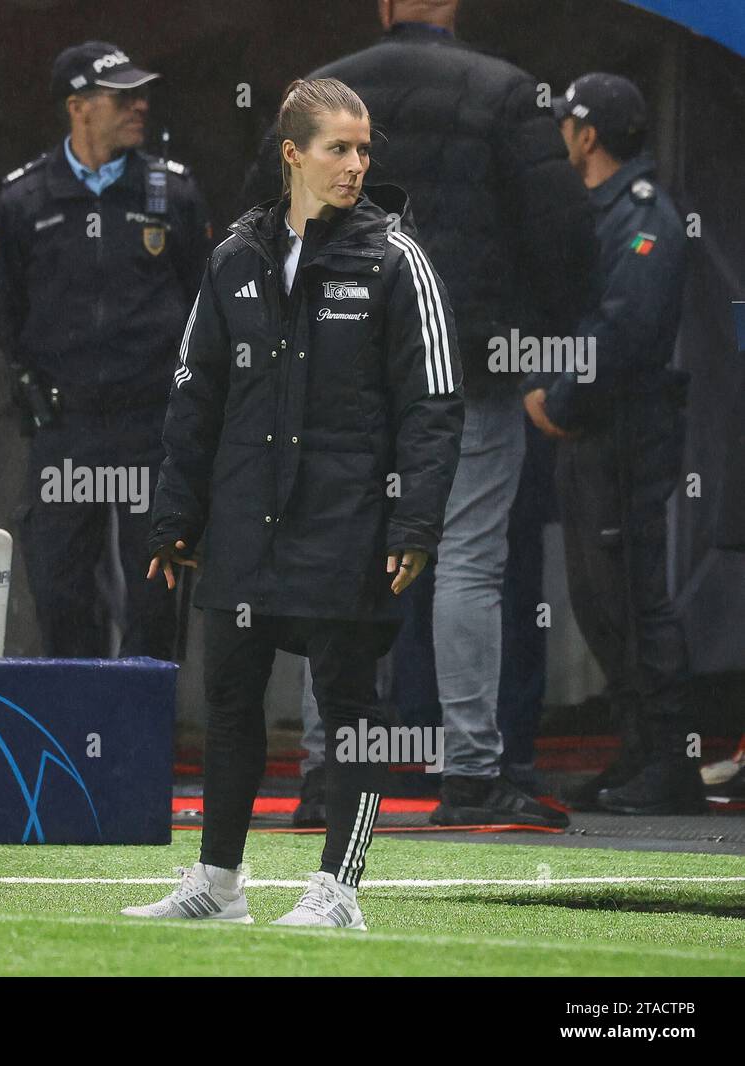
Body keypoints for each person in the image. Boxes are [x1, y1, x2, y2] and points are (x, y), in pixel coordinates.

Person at [244, 0, 596, 830]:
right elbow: (564, 238)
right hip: (466, 367)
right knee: (468, 563)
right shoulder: (507, 92)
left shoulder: (319, 97)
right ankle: (471, 773)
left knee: (338, 558)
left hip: (336, 371)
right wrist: (531, 339)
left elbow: (258, 225)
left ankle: (329, 774)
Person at [121, 79, 462, 928]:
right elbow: (194, 396)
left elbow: (434, 403)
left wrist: (415, 522)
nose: (356, 165)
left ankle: (339, 893)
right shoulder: (235, 256)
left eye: (364, 148)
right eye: (338, 148)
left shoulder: (396, 260)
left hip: (348, 526)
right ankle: (218, 885)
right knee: (231, 705)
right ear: (292, 154)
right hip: (244, 526)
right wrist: (176, 516)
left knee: (350, 711)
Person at [0, 41, 212, 659]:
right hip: (67, 424)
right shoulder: (23, 200)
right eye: (122, 96)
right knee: (59, 587)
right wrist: (33, 375)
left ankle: (143, 739)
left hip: (151, 421)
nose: (140, 105)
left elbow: (201, 299)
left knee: (157, 589)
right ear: (78, 107)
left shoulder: (173, 192)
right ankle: (80, 734)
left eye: (142, 93)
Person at [527, 73, 700, 814]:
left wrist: (559, 401)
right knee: (602, 602)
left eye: (568, 123)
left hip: (625, 434)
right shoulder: (597, 208)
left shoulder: (643, 214)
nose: (561, 134)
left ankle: (670, 762)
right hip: (599, 436)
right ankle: (640, 752)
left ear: (587, 135)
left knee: (634, 600)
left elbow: (622, 330)